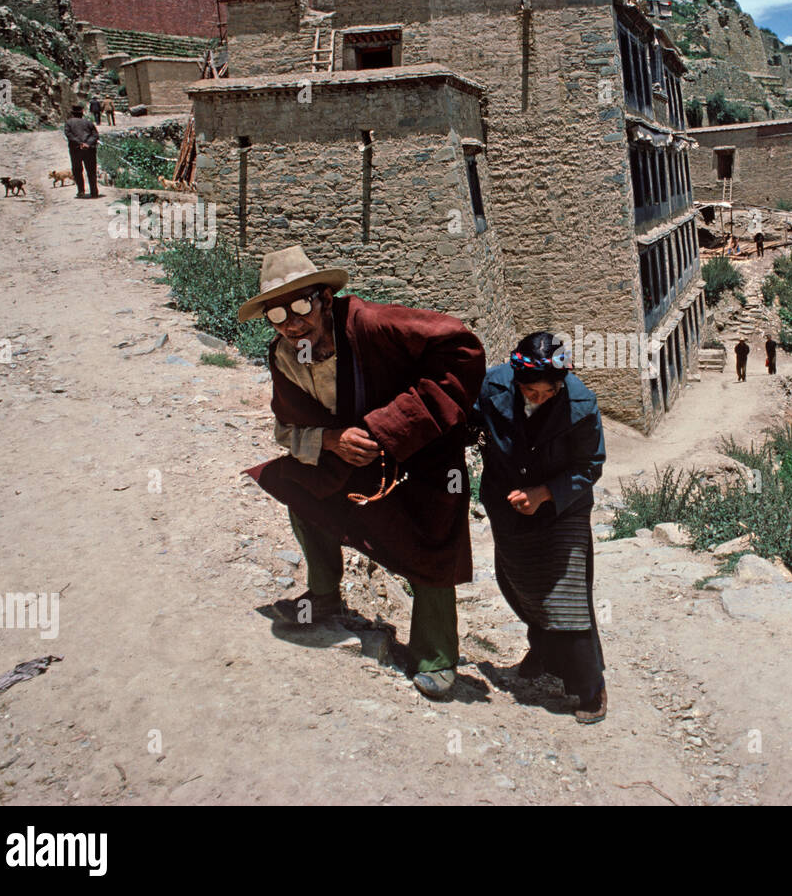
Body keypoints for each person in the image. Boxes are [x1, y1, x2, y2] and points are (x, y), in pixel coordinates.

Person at [239, 246, 485, 700]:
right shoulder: (284, 357)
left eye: (300, 306)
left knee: (431, 537)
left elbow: (462, 350)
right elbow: (288, 428)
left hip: (422, 446)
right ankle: (324, 594)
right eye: (277, 314)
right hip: (352, 452)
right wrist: (331, 442)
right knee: (302, 489)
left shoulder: (373, 324)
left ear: (324, 300)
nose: (293, 324)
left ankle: (436, 655)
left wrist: (385, 427)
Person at [470, 332, 608, 723]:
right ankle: (544, 650)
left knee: (567, 595)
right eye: (531, 391)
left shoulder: (580, 404)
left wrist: (546, 493)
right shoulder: (493, 385)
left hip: (563, 509)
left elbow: (590, 465)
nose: (538, 399)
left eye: (547, 393)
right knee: (519, 583)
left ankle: (589, 687)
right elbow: (470, 421)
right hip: (507, 501)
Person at [64, 105, 100, 199]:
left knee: (77, 170)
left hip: (76, 150)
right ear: (82, 113)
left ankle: (81, 191)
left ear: (72, 113)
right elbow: (95, 135)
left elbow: (69, 135)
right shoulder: (88, 122)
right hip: (90, 149)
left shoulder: (69, 123)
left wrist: (80, 143)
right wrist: (87, 143)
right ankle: (94, 192)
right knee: (91, 171)